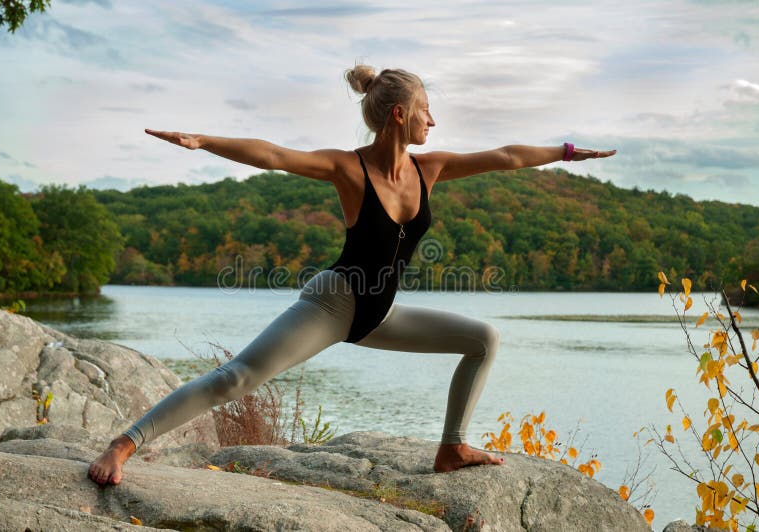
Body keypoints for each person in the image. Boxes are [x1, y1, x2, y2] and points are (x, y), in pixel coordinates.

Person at [88, 64, 616, 486]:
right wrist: (204, 141)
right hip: (333, 306)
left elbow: (506, 156)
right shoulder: (349, 168)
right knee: (238, 378)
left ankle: (452, 447)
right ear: (400, 114)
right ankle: (124, 443)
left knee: (483, 338)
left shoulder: (429, 168)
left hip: (379, 315)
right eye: (427, 113)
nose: (433, 123)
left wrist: (568, 152)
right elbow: (274, 155)